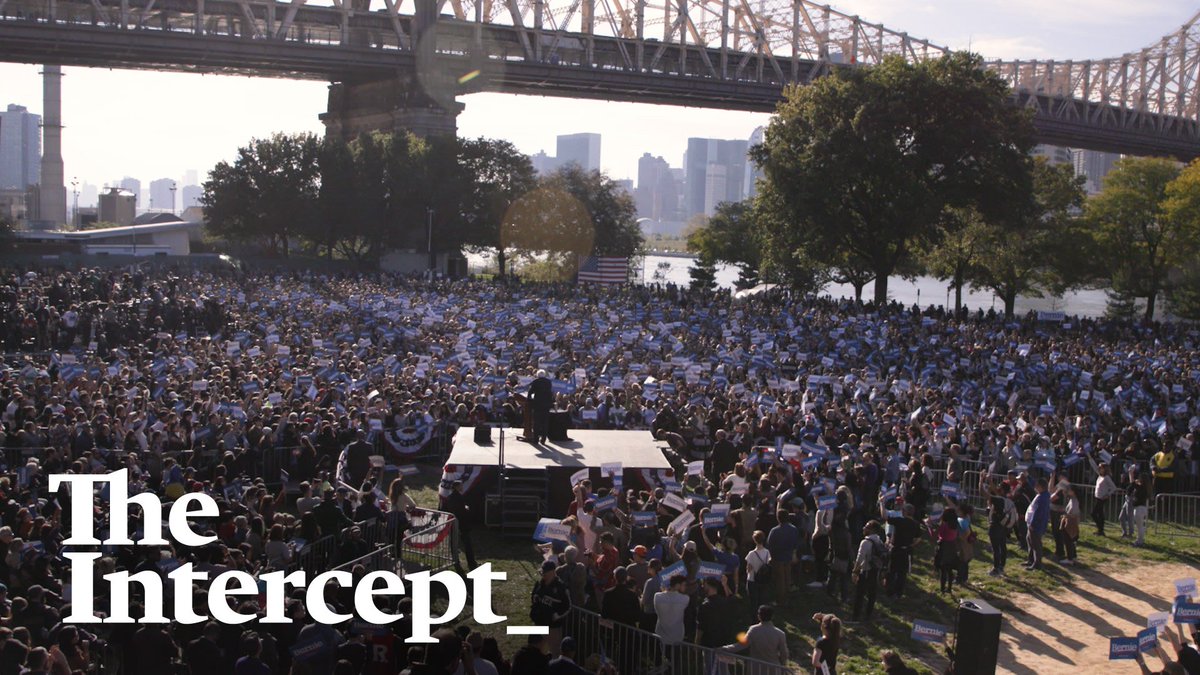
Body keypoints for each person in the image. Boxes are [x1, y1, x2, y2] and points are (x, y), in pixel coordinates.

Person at [530, 561, 571, 658]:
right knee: (536, 653)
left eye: (545, 573)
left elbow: (568, 606)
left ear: (552, 572)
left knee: (554, 653)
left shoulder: (560, 587)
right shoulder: (540, 584)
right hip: (539, 623)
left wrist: (557, 616)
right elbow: (533, 596)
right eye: (542, 572)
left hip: (553, 627)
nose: (542, 575)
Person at [882, 503, 921, 597]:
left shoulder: (900, 521)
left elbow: (885, 517)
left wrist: (881, 503)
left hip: (896, 549)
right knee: (902, 573)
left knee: (892, 570)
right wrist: (911, 545)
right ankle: (898, 593)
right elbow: (918, 538)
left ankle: (889, 591)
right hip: (907, 551)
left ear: (905, 512)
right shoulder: (916, 524)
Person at [851, 520, 886, 622]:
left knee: (859, 595)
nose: (863, 528)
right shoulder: (879, 541)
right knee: (872, 595)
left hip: (866, 571)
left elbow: (859, 559)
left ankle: (855, 617)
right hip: (875, 572)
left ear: (872, 530)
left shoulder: (866, 542)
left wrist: (854, 572)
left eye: (867, 527)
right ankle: (868, 616)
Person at [442, 480, 478, 571]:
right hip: (462, 524)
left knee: (454, 544)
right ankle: (472, 563)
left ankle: (456, 561)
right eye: (461, 486)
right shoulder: (458, 497)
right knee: (467, 544)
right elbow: (461, 511)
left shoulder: (450, 497)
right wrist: (466, 509)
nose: (462, 487)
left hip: (453, 523)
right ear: (457, 487)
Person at [653, 574, 691, 648]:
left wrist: (664, 591)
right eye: (684, 585)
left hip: (661, 634)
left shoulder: (657, 596)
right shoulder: (685, 598)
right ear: (677, 585)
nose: (685, 587)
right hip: (677, 636)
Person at [766, 510, 798, 595]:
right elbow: (795, 543)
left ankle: (781, 600)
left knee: (780, 579)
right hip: (789, 555)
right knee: (788, 575)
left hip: (777, 557)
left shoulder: (774, 531)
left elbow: (769, 544)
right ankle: (788, 592)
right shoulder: (793, 529)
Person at [1025, 478, 1051, 571]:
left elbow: (1039, 512)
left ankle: (1037, 564)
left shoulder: (1043, 498)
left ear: (1041, 487)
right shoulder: (1041, 495)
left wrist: (1033, 523)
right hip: (1031, 523)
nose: (1035, 487)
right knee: (1030, 541)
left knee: (1036, 544)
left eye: (1037, 486)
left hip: (1036, 525)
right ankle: (1030, 560)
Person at [744, 530, 771, 611]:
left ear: (754, 540)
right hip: (763, 579)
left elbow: (748, 569)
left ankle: (754, 618)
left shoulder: (751, 554)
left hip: (752, 579)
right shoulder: (767, 552)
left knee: (753, 602)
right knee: (762, 600)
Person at [1091, 458, 1118, 536]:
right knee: (1100, 514)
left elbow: (1113, 487)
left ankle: (1100, 528)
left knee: (1094, 513)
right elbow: (1093, 466)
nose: (1099, 468)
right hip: (1097, 497)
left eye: (1100, 467)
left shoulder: (1107, 477)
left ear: (1104, 469)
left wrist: (1108, 495)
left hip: (1102, 498)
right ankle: (1100, 530)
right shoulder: (1100, 476)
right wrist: (1089, 457)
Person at [528, 369, 554, 444]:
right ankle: (543, 439)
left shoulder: (535, 382)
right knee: (545, 422)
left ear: (538, 375)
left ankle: (536, 439)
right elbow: (550, 392)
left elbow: (531, 391)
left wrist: (529, 400)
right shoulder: (548, 382)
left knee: (537, 422)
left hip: (537, 405)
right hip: (546, 405)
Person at [1058, 486, 1081, 566]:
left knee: (1068, 541)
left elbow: (1074, 514)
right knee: (1071, 540)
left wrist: (1065, 515)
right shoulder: (1071, 499)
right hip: (1069, 522)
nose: (1068, 491)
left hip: (1071, 523)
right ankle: (1073, 556)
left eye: (1070, 490)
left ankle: (1070, 558)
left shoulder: (1075, 501)